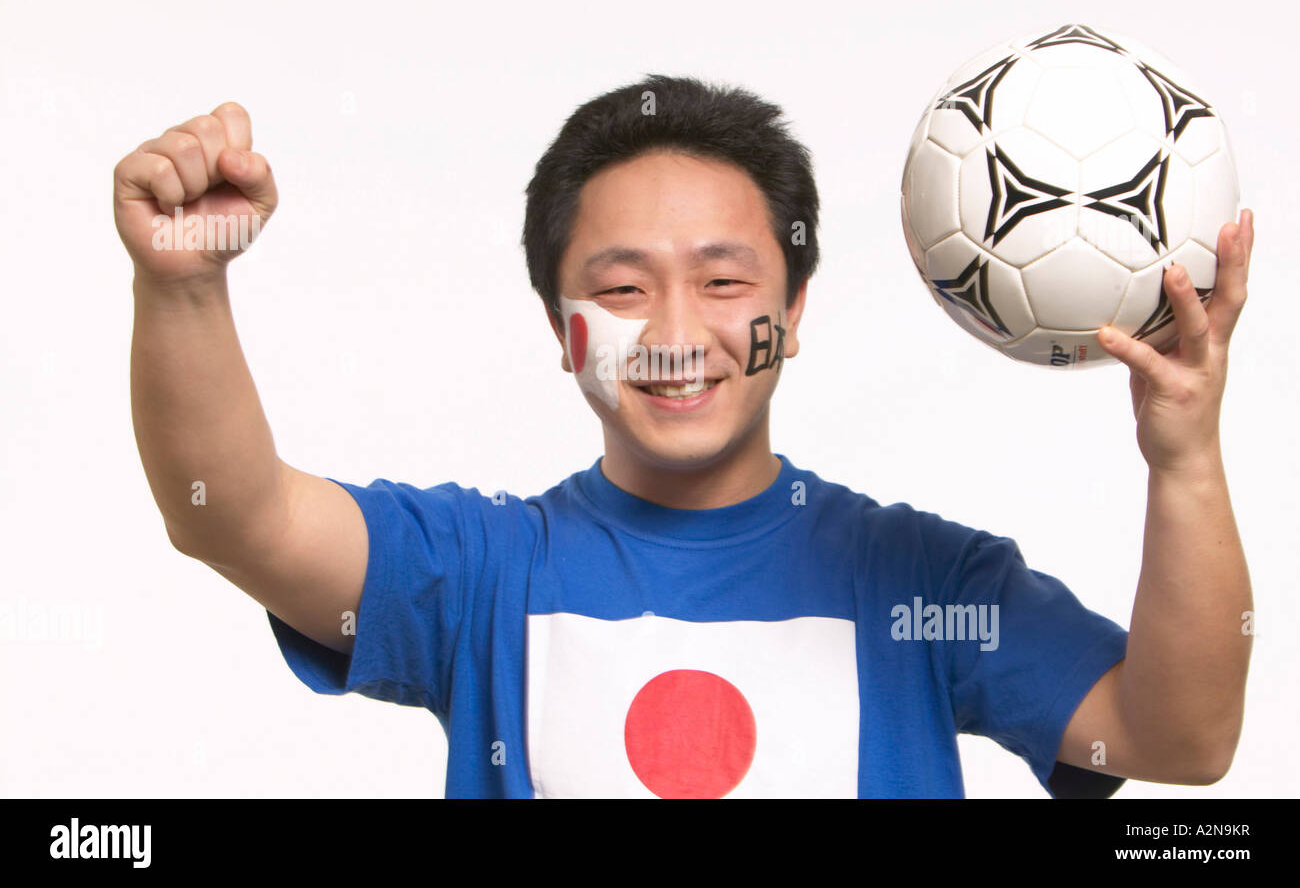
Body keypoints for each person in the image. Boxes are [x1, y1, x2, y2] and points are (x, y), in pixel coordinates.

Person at [114, 74, 1253, 798]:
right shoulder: (476, 573)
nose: (672, 332)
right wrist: (181, 289)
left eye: (722, 279)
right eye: (618, 289)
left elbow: (1178, 740)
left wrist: (1185, 456)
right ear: (564, 333)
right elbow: (234, 514)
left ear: (791, 314)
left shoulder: (918, 582)